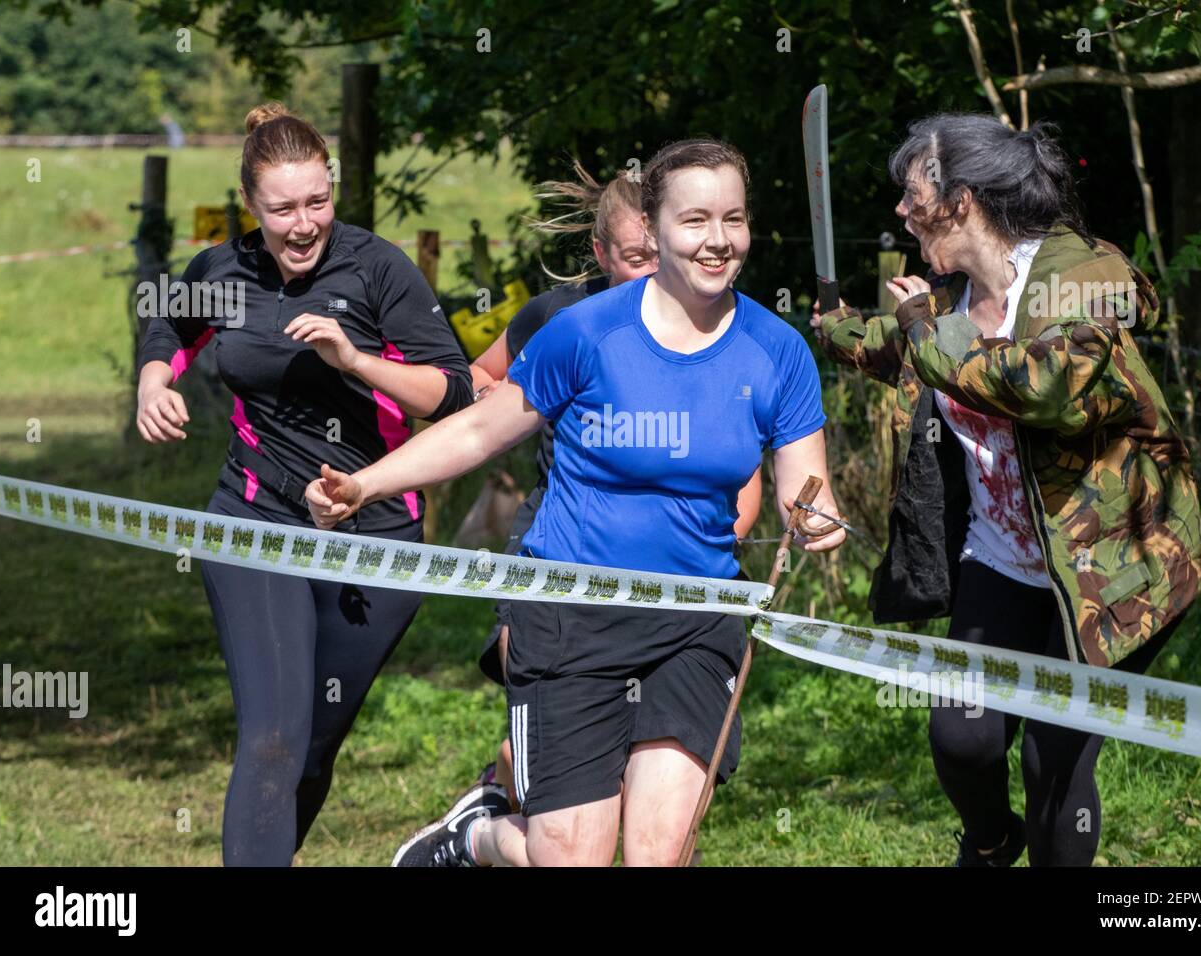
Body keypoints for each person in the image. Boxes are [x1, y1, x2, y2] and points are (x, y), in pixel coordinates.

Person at [310, 138, 846, 867]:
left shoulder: (775, 350)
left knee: (659, 854)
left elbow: (803, 486)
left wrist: (816, 522)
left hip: (693, 621)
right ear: (654, 232)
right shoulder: (587, 333)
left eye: (734, 219)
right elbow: (477, 431)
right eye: (695, 221)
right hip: (569, 613)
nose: (718, 240)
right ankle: (476, 839)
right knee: (567, 857)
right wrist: (366, 483)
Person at [813, 113, 1201, 866]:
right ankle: (992, 845)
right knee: (961, 737)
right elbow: (889, 343)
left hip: (1112, 567)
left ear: (960, 200)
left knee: (1052, 763)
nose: (901, 209)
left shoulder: (1080, 276)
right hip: (999, 561)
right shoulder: (948, 303)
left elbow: (1045, 387)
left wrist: (920, 324)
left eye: (912, 193)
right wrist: (829, 323)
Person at [391, 162, 763, 864]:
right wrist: (496, 424)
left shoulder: (714, 328)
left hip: (675, 581)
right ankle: (479, 832)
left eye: (658, 252)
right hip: (555, 554)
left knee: (644, 818)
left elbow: (743, 469)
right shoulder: (559, 319)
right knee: (562, 833)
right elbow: (479, 382)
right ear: (600, 255)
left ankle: (496, 799)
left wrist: (699, 550)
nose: (653, 270)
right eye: (633, 259)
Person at [135, 102, 473, 865]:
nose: (302, 224)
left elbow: (453, 395)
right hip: (255, 520)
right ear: (250, 206)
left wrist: (354, 359)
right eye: (281, 208)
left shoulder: (377, 268)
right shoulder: (225, 270)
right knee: (273, 739)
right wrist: (157, 379)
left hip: (376, 542)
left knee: (311, 752)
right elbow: (169, 324)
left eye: (317, 202)